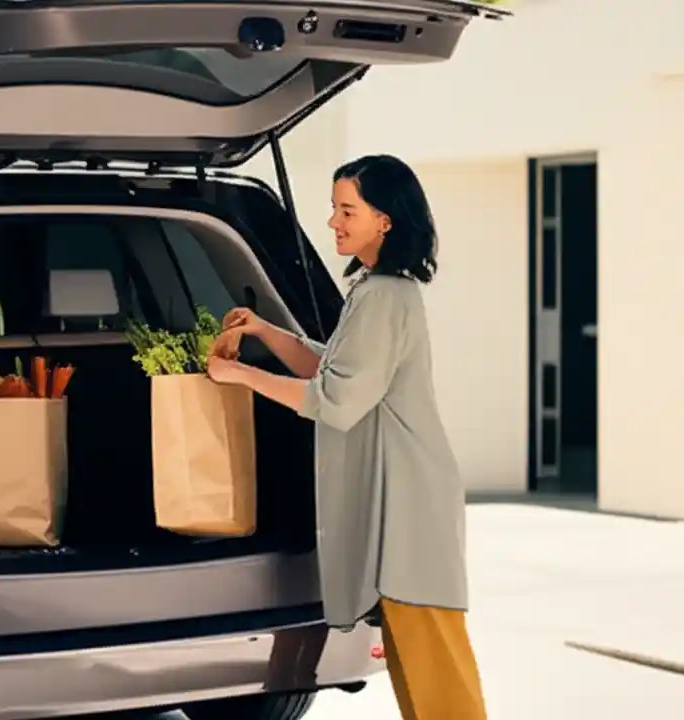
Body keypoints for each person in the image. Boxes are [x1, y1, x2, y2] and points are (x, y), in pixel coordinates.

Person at [206, 154, 487, 719]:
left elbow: (332, 402)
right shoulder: (377, 290)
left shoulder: (385, 296)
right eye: (334, 209)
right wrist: (266, 333)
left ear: (385, 220)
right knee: (420, 681)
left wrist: (239, 375)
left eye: (346, 210)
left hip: (408, 509)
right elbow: (331, 369)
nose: (333, 222)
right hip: (400, 506)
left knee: (440, 684)